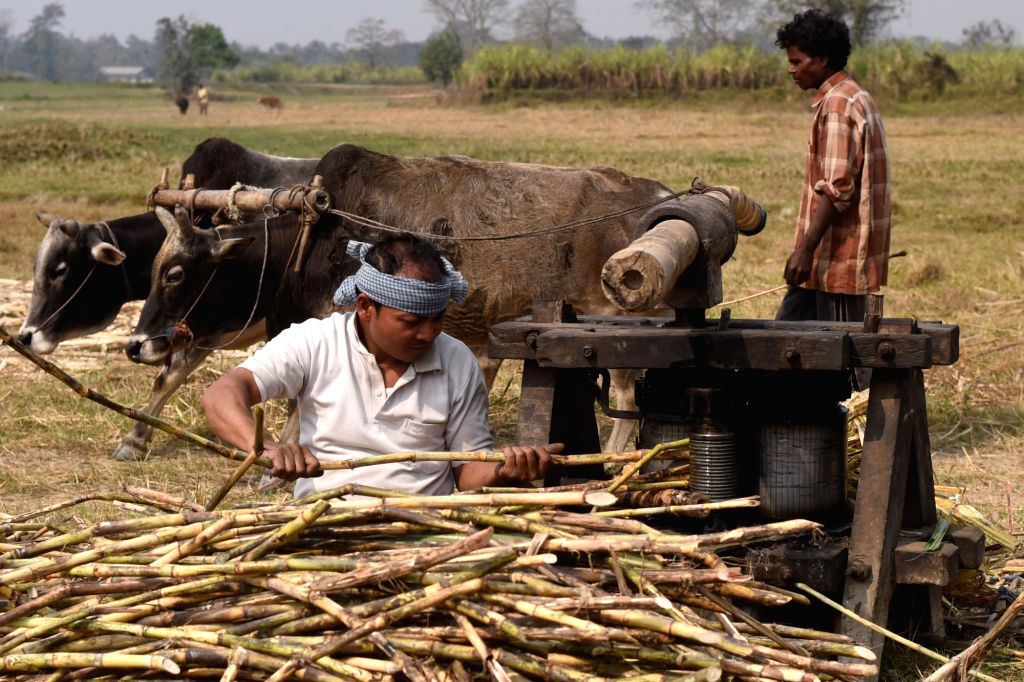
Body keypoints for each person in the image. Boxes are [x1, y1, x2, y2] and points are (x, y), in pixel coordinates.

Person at [202, 234, 559, 499]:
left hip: (425, 530)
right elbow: (222, 394)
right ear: (364, 306)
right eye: (411, 322)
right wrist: (265, 447)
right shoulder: (316, 342)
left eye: (437, 320)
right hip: (324, 523)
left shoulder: (457, 361)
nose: (428, 333)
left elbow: (466, 472)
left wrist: (505, 469)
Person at [774, 9, 891, 327]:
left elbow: (838, 187)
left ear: (822, 59)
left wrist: (804, 250)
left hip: (836, 260)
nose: (791, 70)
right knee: (786, 335)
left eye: (797, 61)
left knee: (842, 356)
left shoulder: (839, 104)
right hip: (821, 263)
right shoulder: (856, 96)